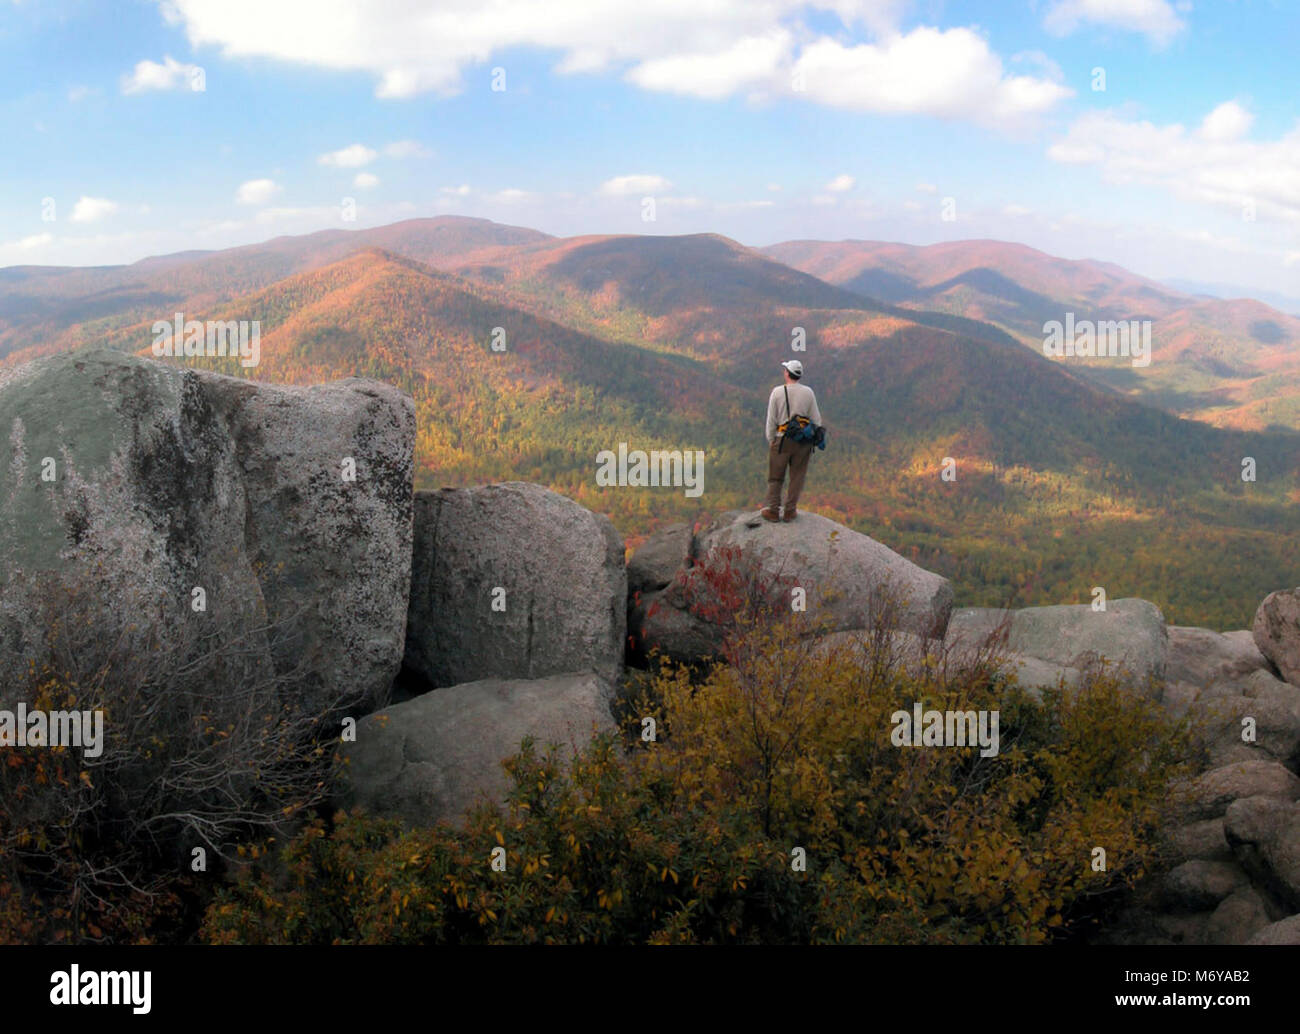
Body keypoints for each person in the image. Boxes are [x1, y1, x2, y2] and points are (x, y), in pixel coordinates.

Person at [762, 359, 823, 522]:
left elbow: (771, 420)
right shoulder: (808, 392)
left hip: (781, 440)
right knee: (797, 477)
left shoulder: (777, 392)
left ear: (787, 373)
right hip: (803, 442)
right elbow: (817, 420)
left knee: (776, 477)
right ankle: (790, 511)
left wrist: (771, 439)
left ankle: (773, 511)